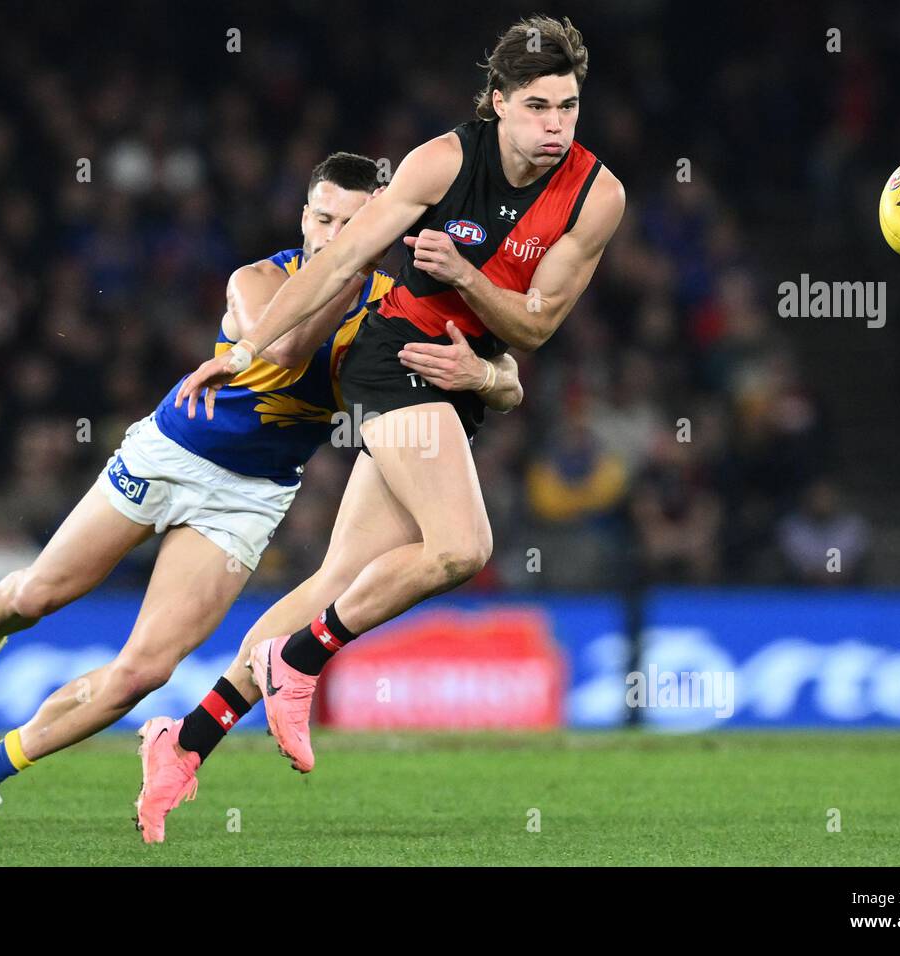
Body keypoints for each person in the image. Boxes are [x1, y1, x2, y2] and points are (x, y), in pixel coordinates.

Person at [0, 152, 522, 839]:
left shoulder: (396, 294)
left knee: (142, 673)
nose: (331, 232)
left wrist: (484, 375)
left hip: (249, 497)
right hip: (171, 455)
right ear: (304, 217)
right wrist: (348, 269)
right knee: (36, 596)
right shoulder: (259, 279)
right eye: (323, 218)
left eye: (351, 222)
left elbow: (507, 378)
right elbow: (285, 354)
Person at [171, 15, 626, 781]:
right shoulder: (443, 161)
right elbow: (340, 257)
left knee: (334, 579)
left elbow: (536, 328)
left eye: (569, 106)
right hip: (392, 360)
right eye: (538, 106)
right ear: (498, 102)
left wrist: (467, 284)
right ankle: (300, 660)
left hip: (459, 382)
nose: (555, 124)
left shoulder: (596, 195)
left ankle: (189, 740)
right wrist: (247, 350)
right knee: (463, 548)